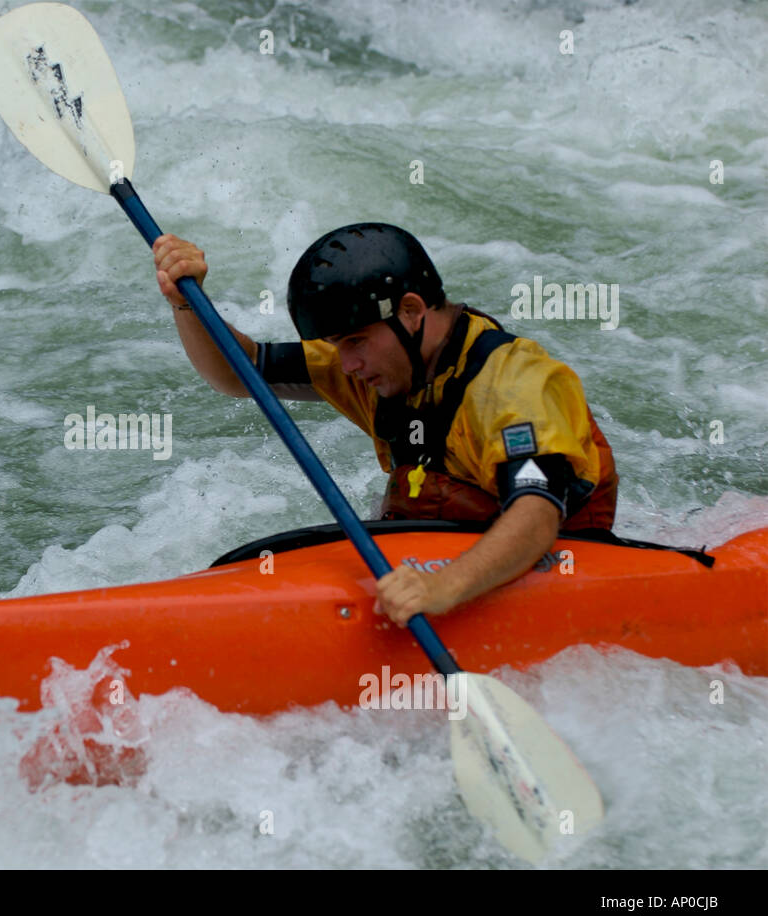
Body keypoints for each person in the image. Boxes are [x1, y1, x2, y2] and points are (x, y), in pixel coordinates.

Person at [152, 223, 617, 627]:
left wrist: (442, 587)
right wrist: (187, 304)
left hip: (556, 566)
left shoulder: (516, 385)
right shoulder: (380, 362)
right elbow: (240, 370)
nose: (347, 364)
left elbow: (536, 519)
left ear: (412, 312)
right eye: (336, 344)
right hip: (435, 556)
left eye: (355, 341)